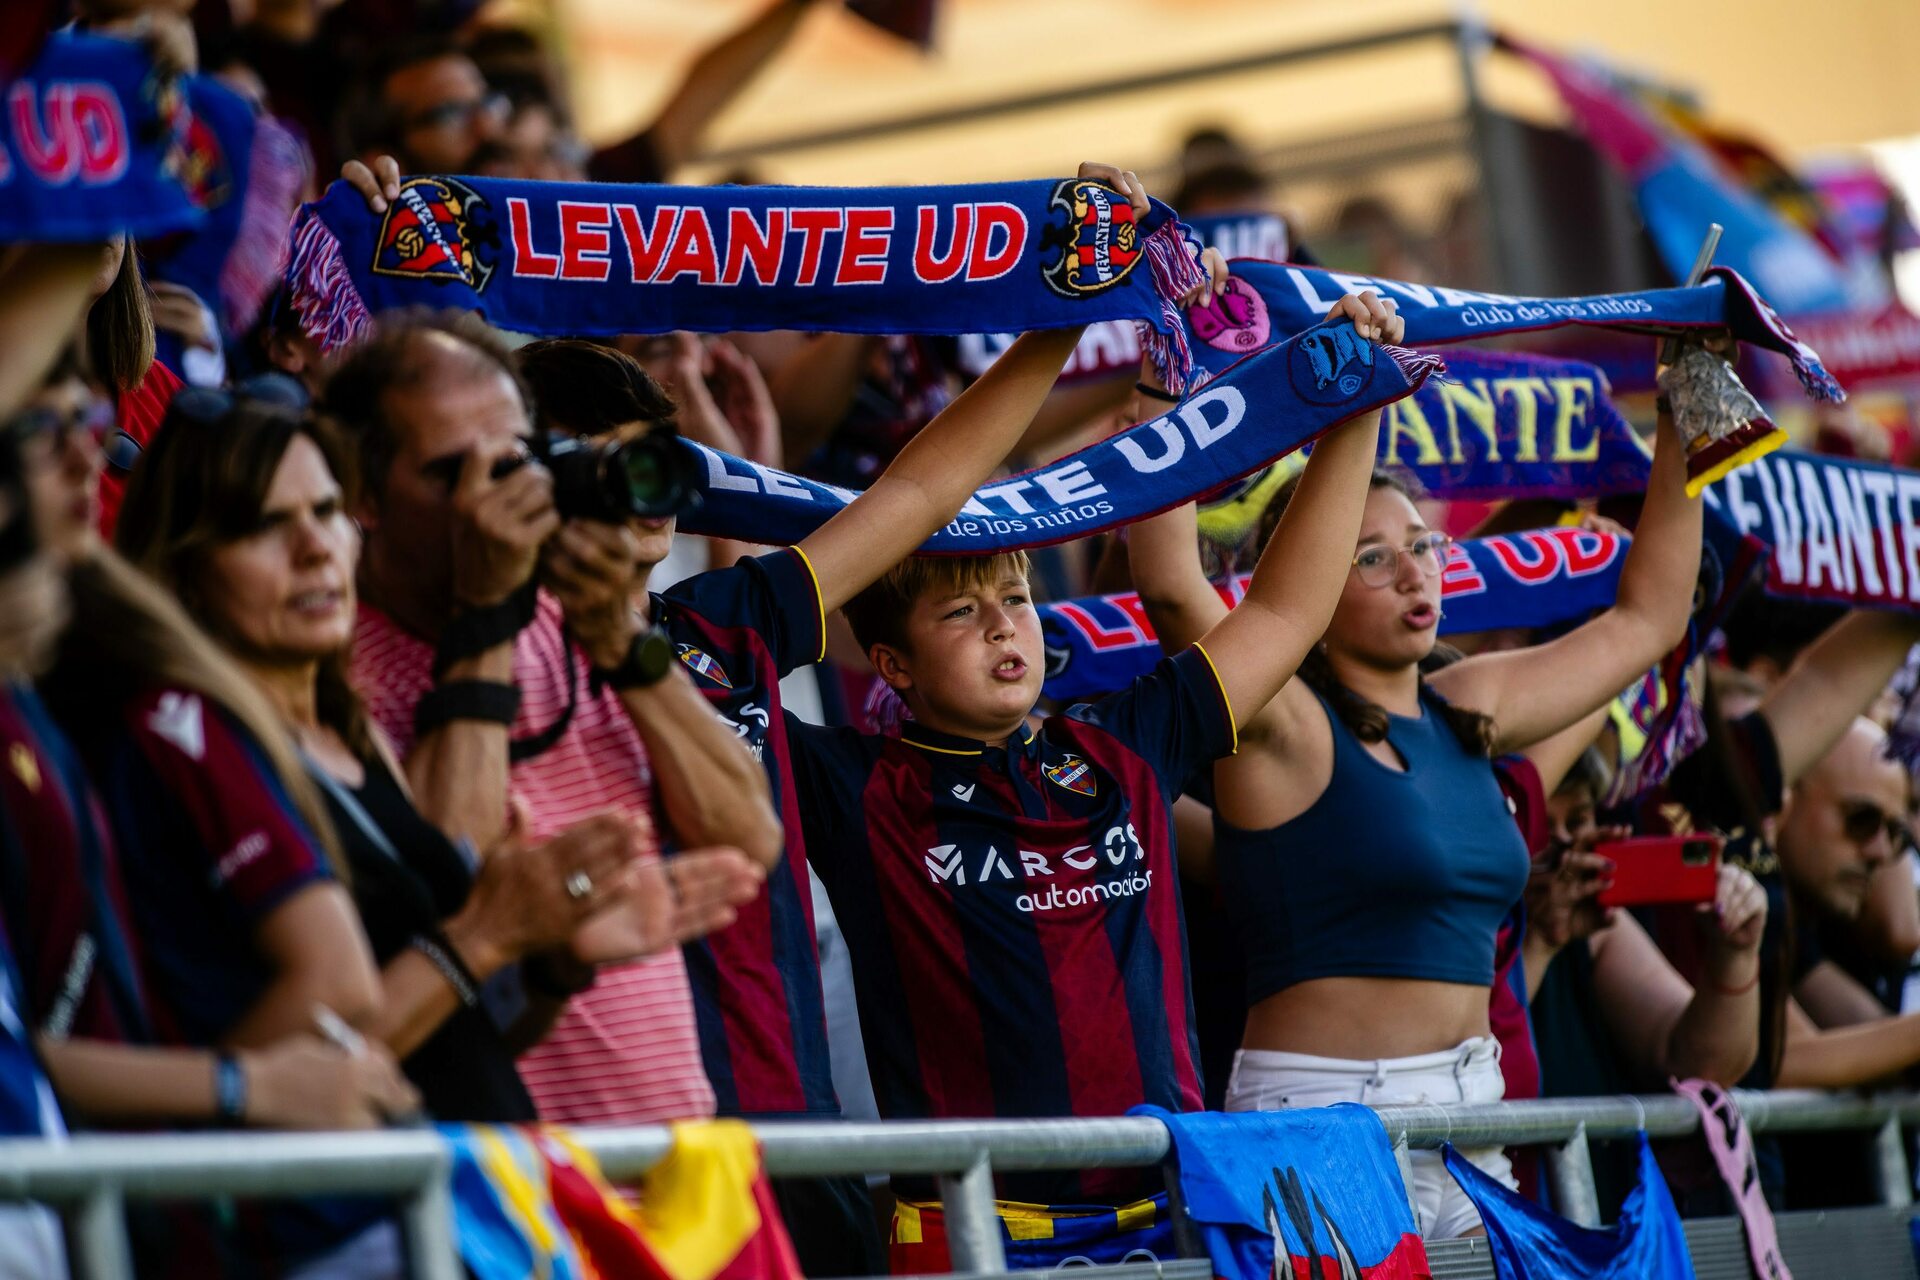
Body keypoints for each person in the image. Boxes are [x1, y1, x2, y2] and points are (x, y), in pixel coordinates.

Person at [509, 181, 1221, 1270]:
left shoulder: (725, 621)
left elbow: (922, 489)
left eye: (656, 460)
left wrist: (1071, 306)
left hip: (792, 1127)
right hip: (597, 1137)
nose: (642, 491)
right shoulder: (469, 654)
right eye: (597, 462)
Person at [788, 290, 1404, 1270]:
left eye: (1018, 598)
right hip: (973, 1240)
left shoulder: (1126, 742)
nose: (1002, 625)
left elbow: (1286, 611)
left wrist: (1359, 408)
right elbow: (738, 645)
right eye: (959, 613)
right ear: (890, 666)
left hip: (1179, 1221)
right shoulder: (849, 785)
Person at [1128, 346, 1708, 1237]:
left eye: (1422, 545)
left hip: (1476, 1113)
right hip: (1318, 1120)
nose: (1415, 572)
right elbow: (1171, 586)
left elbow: (1651, 619)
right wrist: (1163, 374)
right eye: (1370, 558)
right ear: (1313, 579)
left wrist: (1688, 398)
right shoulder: (1277, 721)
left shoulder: (1469, 704)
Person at [112, 385, 765, 1123]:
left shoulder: (341, 725)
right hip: (387, 1212)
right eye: (264, 525)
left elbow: (461, 1028)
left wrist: (553, 963)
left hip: (555, 1189)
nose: (313, 549)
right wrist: (488, 934)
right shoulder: (192, 730)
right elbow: (329, 1040)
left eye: (321, 512)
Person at [322, 309, 782, 1129]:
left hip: (685, 1164)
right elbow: (442, 875)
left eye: (516, 461)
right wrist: (486, 614)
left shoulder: (576, 615)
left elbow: (748, 834)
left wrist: (614, 635)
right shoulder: (338, 670)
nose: (491, 494)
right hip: (518, 1192)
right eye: (448, 471)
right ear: (362, 492)